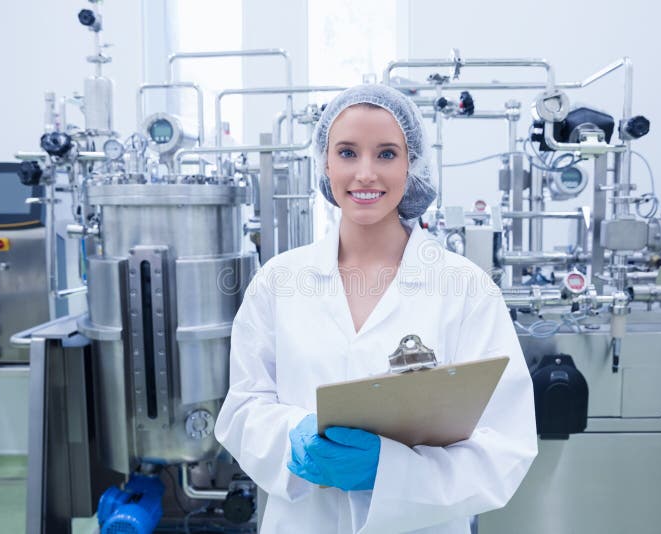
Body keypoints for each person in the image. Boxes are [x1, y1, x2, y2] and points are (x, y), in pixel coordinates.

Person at [214, 84, 537, 533]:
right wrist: (292, 441)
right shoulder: (278, 282)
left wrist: (392, 472)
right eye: (347, 152)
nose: (365, 173)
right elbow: (244, 407)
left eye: (386, 154)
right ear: (325, 162)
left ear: (412, 166)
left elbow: (506, 445)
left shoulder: (465, 289)